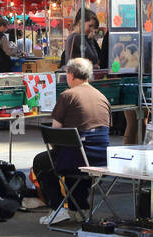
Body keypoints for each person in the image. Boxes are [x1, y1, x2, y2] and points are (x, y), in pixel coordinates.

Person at [36, 57, 110, 221]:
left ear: (70, 75)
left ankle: (57, 208)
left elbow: (55, 133)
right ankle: (78, 208)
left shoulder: (67, 95)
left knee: (43, 161)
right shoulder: (102, 97)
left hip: (76, 159)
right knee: (71, 154)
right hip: (101, 160)